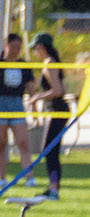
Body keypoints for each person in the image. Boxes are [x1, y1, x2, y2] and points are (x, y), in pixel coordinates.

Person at [24, 33, 68, 199]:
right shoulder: (50, 62)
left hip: (57, 110)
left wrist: (36, 97)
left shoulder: (49, 63)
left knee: (49, 150)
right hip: (55, 110)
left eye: (35, 49)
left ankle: (54, 189)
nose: (35, 52)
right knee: (50, 150)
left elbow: (58, 91)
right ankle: (53, 188)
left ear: (41, 47)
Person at [0, 34, 34, 187]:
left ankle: (29, 177)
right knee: (1, 143)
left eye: (18, 48)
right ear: (6, 46)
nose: (16, 51)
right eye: (13, 47)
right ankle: (1, 178)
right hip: (1, 103)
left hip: (17, 104)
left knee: (23, 142)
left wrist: (33, 105)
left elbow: (31, 87)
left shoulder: (24, 65)